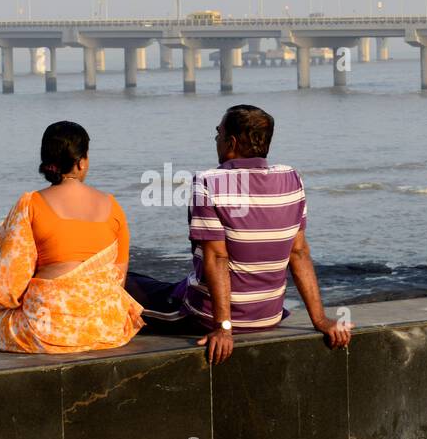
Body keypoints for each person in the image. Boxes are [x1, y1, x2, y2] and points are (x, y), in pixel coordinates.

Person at [125, 104, 351, 365]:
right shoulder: (291, 179)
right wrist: (320, 319)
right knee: (151, 283)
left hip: (207, 315)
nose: (216, 139)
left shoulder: (210, 182)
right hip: (268, 316)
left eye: (218, 133)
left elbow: (217, 258)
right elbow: (299, 252)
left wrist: (223, 328)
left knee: (121, 286)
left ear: (231, 142)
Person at [0, 121, 143, 353]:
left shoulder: (31, 204)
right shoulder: (113, 206)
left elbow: (9, 286)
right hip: (106, 327)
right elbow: (118, 279)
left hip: (47, 329)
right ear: (81, 161)